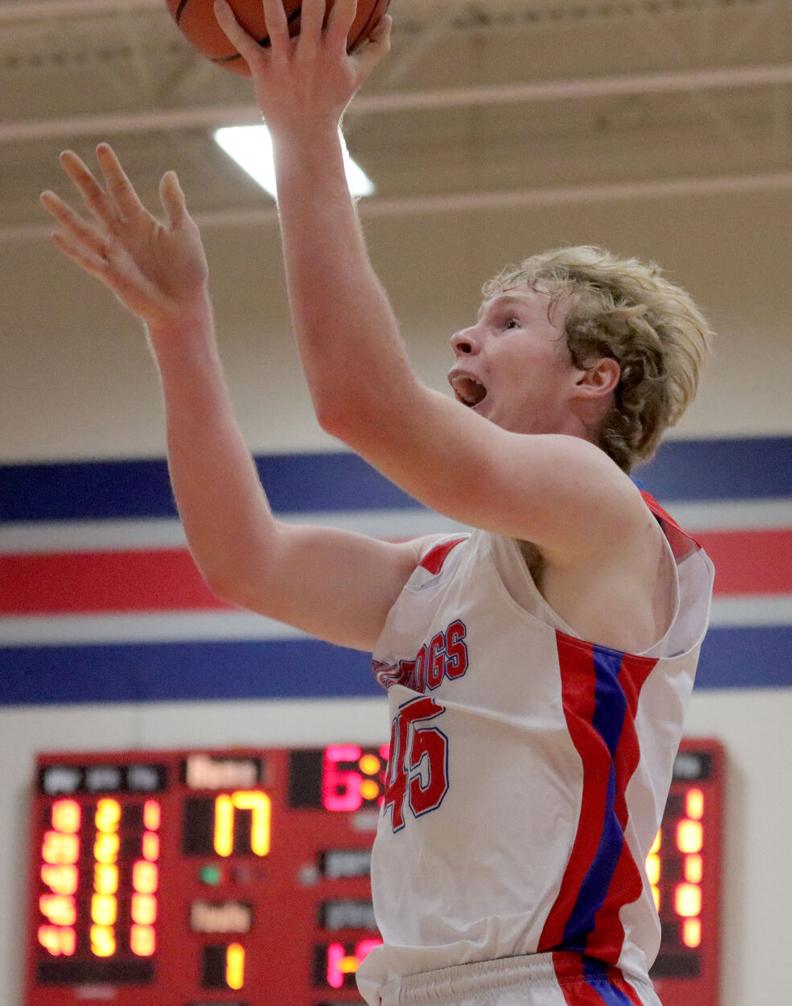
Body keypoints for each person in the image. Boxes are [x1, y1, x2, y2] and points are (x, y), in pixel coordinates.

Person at [41, 8, 715, 1001]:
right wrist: (179, 332)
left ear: (594, 379)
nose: (463, 338)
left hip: (547, 984)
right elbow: (244, 560)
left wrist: (305, 130)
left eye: (508, 322)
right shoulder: (436, 577)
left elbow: (362, 404)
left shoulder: (602, 509)